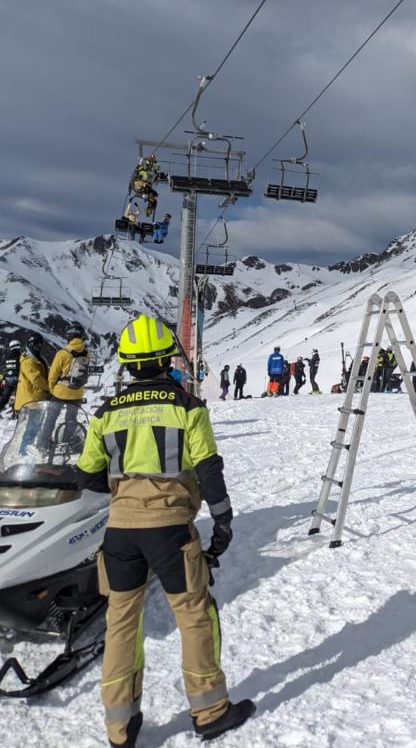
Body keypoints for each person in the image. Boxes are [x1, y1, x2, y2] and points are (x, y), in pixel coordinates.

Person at [76, 314, 254, 747]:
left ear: (127, 364)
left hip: (120, 533)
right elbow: (210, 470)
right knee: (195, 617)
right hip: (171, 531)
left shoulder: (106, 413)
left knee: (120, 624)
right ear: (165, 359)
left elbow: (87, 476)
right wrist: (224, 521)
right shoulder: (187, 408)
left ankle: (120, 727)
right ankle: (210, 710)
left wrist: (125, 491)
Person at [0, 339, 21, 414]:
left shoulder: (6, 356)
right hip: (19, 380)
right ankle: (16, 412)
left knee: (5, 398)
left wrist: (4, 378)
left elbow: (3, 367)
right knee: (19, 397)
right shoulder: (20, 355)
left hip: (8, 379)